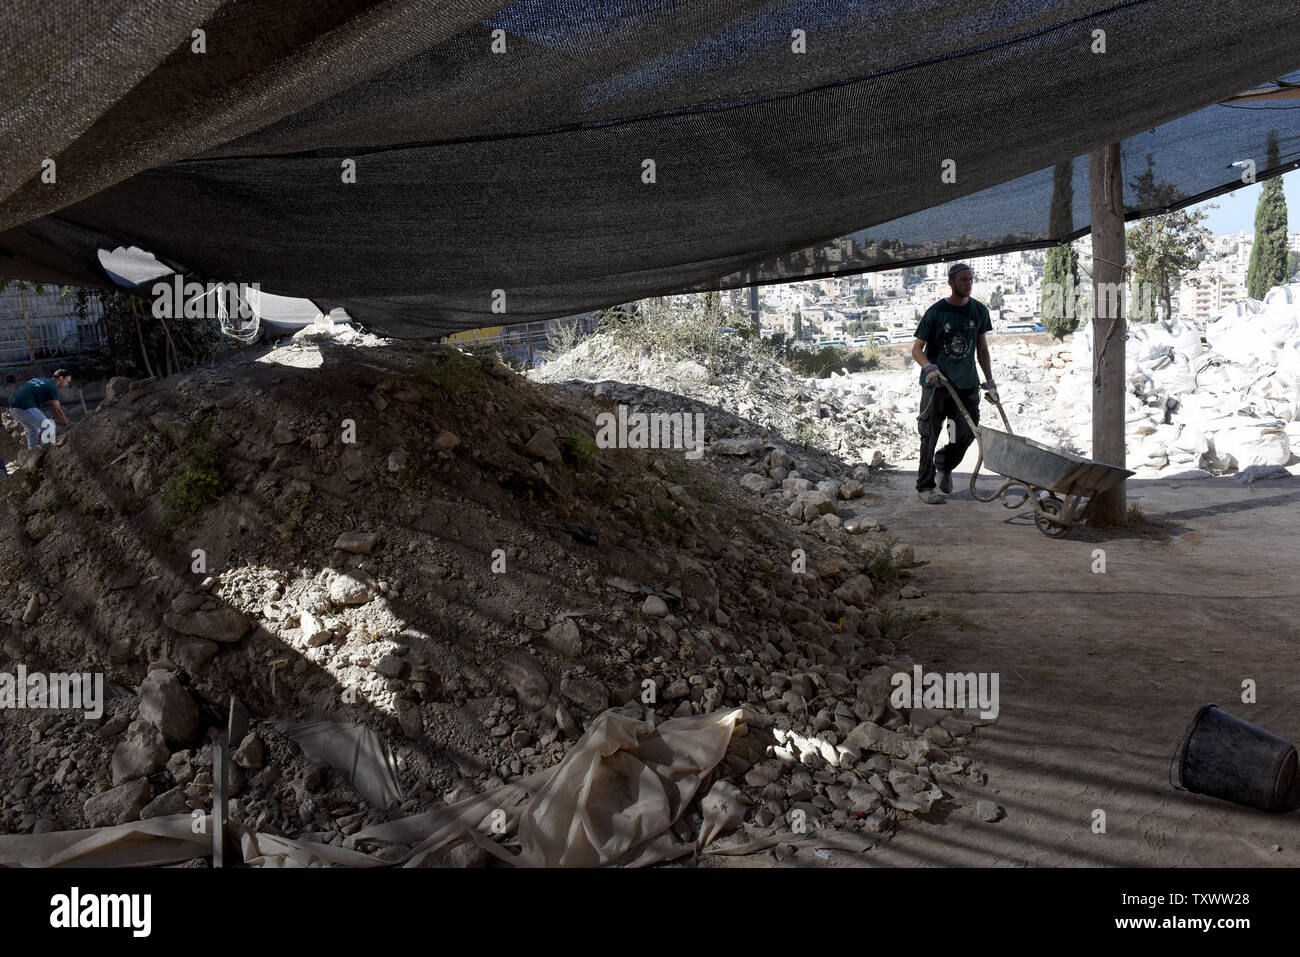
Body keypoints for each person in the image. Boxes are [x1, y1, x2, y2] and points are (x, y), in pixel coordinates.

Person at [911, 265, 997, 504]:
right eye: (962, 280)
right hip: (937, 387)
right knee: (929, 435)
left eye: (970, 279)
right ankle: (925, 487)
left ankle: (944, 465)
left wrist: (989, 382)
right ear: (951, 282)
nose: (967, 284)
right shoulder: (936, 313)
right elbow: (917, 350)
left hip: (967, 386)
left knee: (966, 434)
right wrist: (929, 367)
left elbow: (982, 349)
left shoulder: (979, 311)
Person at [8, 369, 72, 453]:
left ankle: (32, 453)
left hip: (14, 408)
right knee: (49, 427)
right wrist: (67, 423)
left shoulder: (41, 380)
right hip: (25, 407)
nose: (67, 385)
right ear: (61, 378)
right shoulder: (53, 387)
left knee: (32, 429)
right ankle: (46, 454)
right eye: (67, 382)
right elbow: (57, 410)